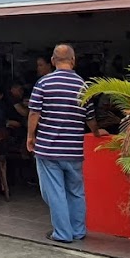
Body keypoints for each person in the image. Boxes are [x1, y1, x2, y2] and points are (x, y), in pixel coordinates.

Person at [27, 44, 89, 244]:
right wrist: (97, 132)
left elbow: (34, 112)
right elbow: (91, 117)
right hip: (74, 149)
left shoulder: (43, 83)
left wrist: (30, 136)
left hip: (49, 149)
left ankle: (62, 233)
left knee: (54, 192)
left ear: (53, 61)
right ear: (73, 60)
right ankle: (78, 231)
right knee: (76, 192)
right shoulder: (83, 85)